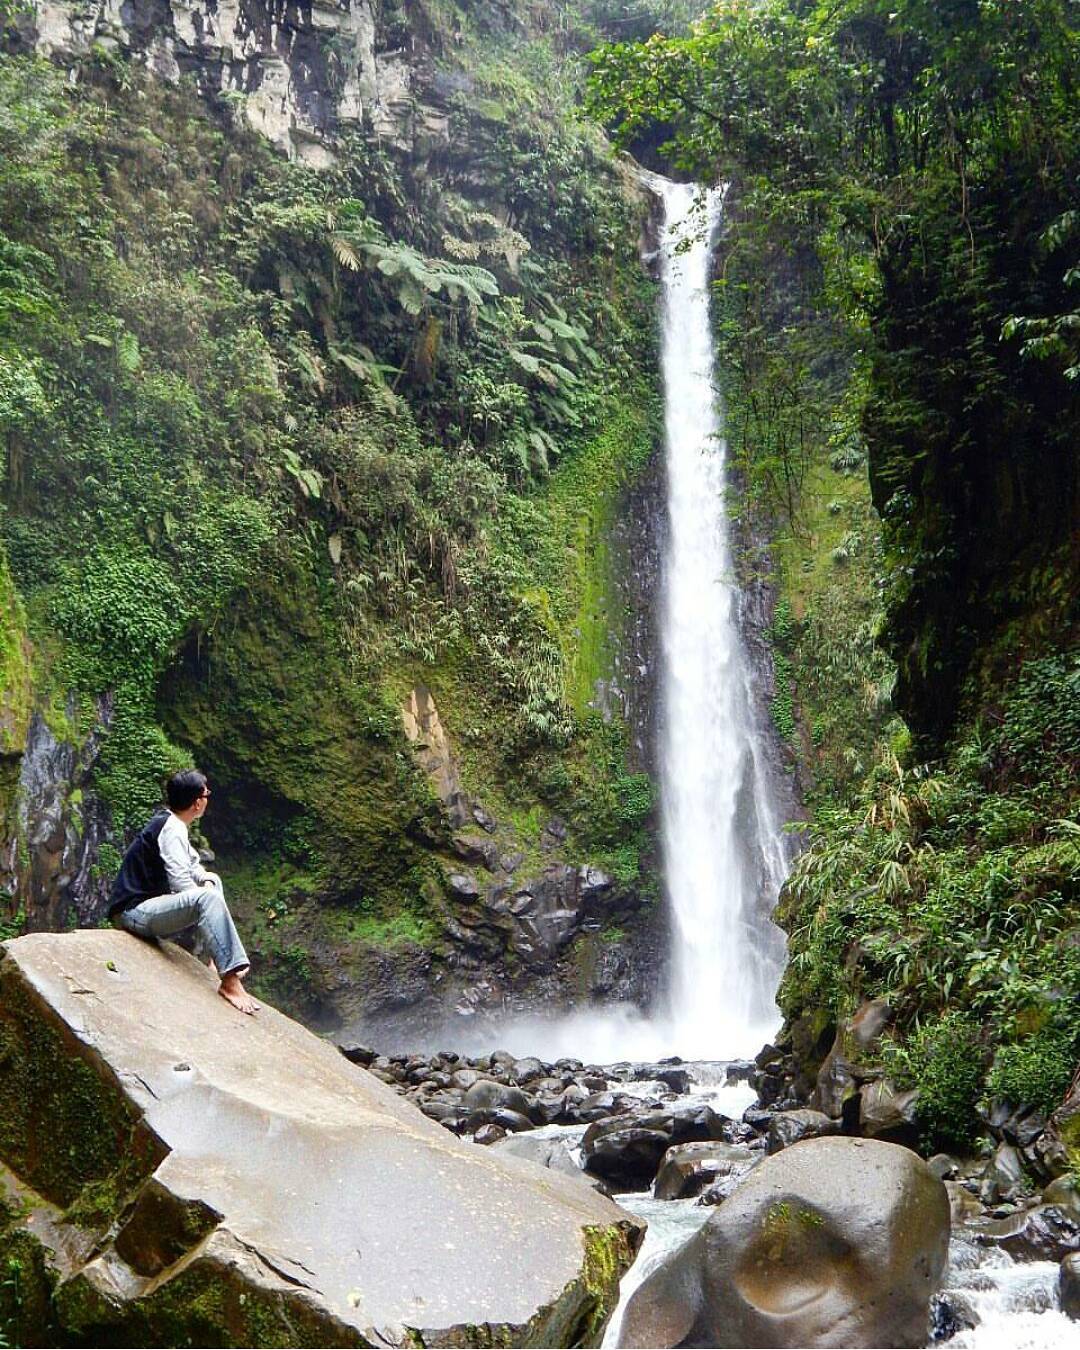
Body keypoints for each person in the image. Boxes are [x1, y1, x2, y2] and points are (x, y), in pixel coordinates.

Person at [108, 769, 259, 1015]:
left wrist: (206, 880)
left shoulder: (172, 821)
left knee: (213, 881)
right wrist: (203, 897)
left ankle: (216, 961)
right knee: (207, 897)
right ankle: (230, 981)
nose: (208, 798)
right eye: (207, 794)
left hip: (146, 907)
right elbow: (180, 882)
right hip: (132, 913)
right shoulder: (172, 829)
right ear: (198, 802)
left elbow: (191, 866)